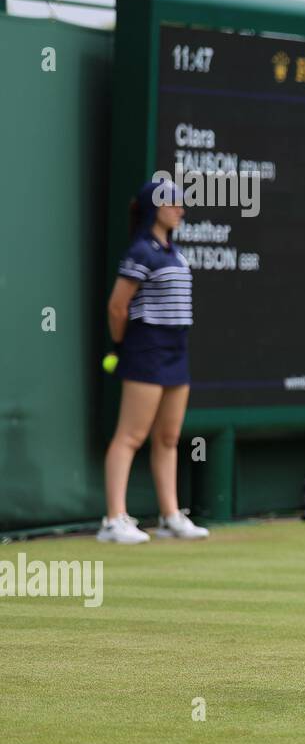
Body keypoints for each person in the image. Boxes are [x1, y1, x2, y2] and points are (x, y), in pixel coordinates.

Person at [100, 180, 209, 543]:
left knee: (168, 436)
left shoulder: (175, 253)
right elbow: (118, 306)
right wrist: (121, 343)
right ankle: (114, 519)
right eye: (173, 202)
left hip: (177, 350)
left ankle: (170, 516)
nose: (181, 208)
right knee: (130, 436)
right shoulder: (140, 252)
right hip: (146, 349)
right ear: (155, 208)